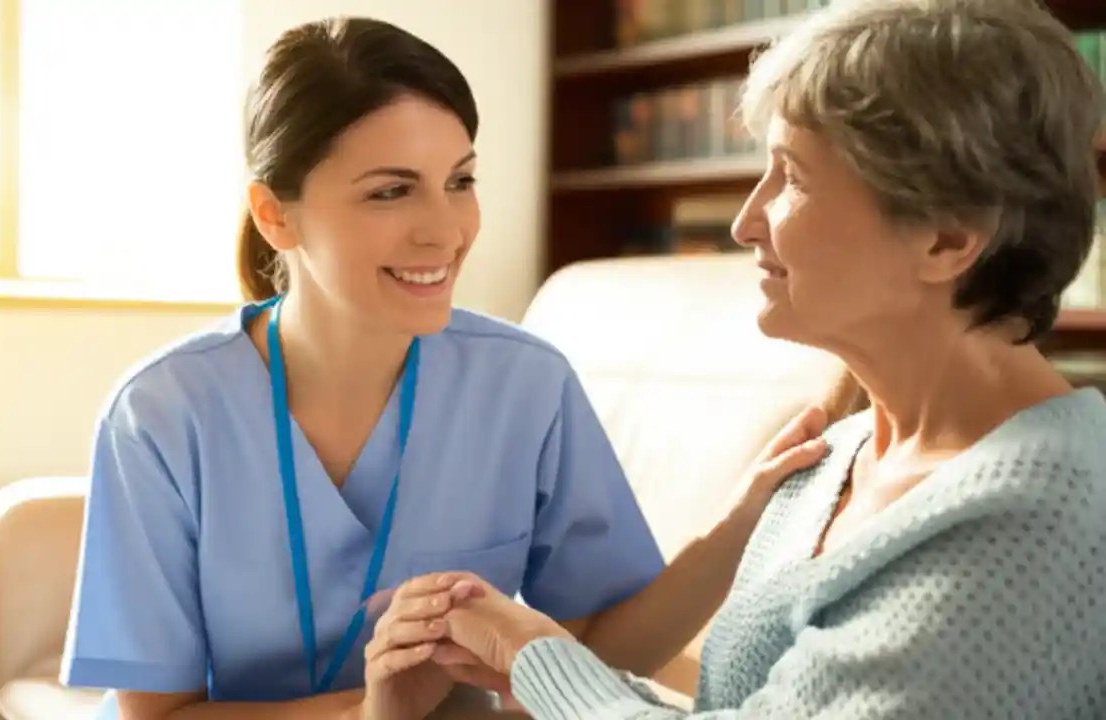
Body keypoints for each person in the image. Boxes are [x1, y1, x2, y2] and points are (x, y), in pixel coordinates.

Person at [58, 15, 828, 720]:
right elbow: (154, 715)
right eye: (391, 191)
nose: (446, 230)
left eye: (460, 181)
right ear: (274, 214)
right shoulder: (160, 414)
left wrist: (741, 524)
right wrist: (372, 713)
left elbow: (596, 656)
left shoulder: (526, 387)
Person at [402, 0, 1106, 717]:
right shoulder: (833, 458)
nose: (744, 222)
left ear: (948, 239)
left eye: (792, 177)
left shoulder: (1033, 519)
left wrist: (536, 660)